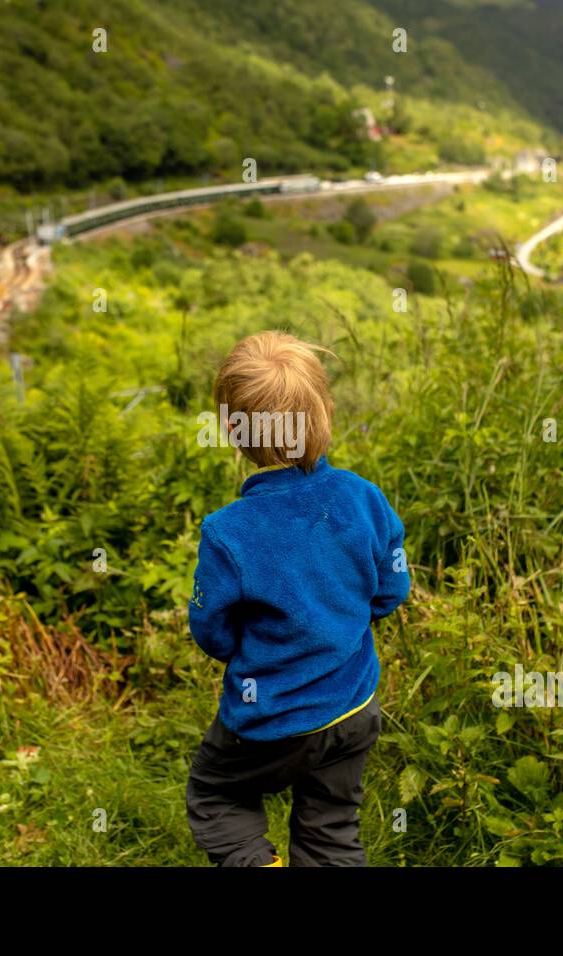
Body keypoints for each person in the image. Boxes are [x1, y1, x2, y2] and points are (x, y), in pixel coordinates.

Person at [186, 330, 410, 867]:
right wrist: (343, 622)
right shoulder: (364, 499)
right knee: (331, 829)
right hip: (352, 707)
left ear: (234, 431)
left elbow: (210, 630)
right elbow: (390, 590)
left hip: (268, 718)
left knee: (217, 794)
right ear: (325, 412)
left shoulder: (229, 533)